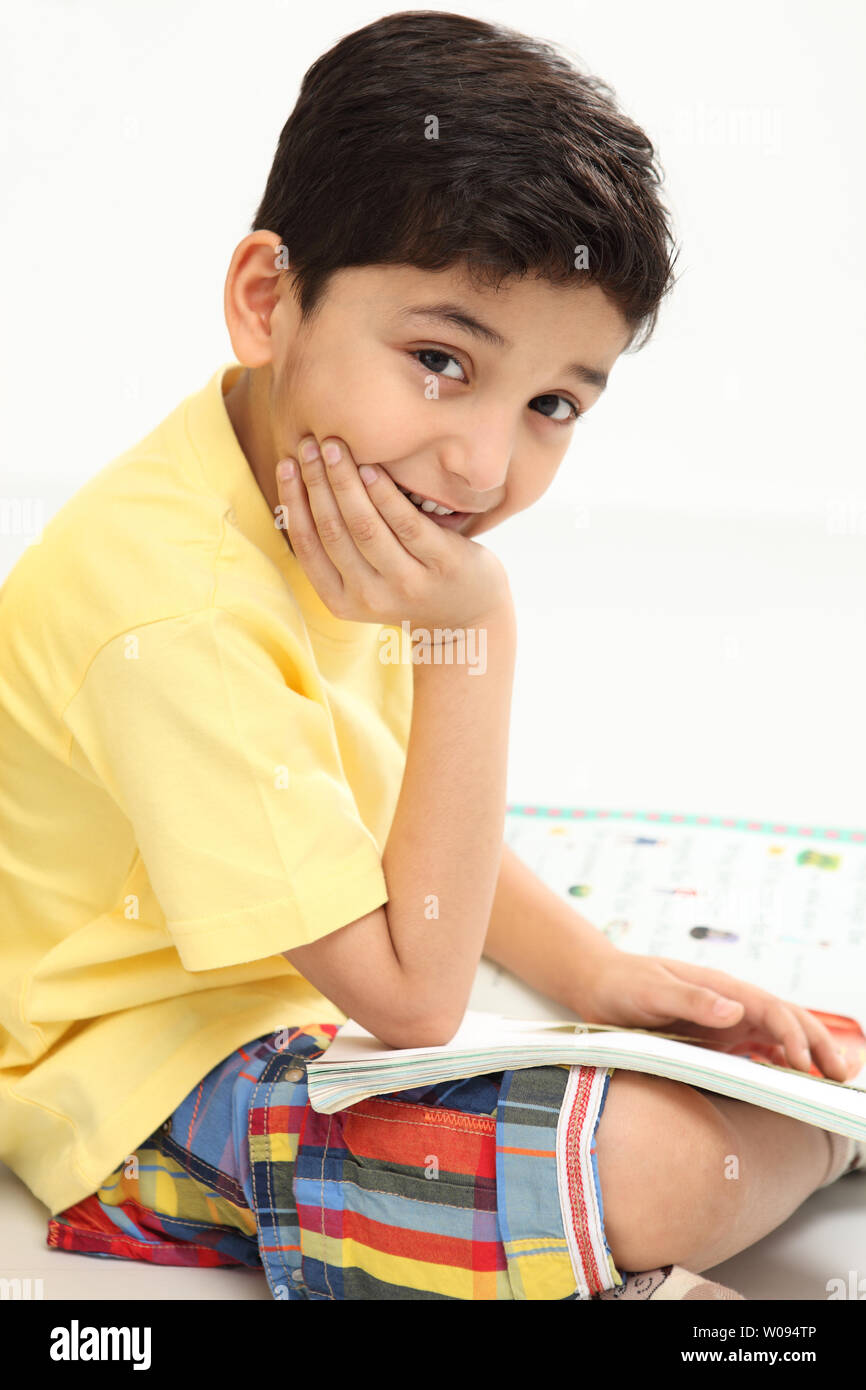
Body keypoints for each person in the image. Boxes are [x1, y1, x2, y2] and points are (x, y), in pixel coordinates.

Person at [2, 10, 862, 1303]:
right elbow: (414, 999)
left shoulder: (327, 497)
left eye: (550, 404)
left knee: (799, 1074)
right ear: (266, 301)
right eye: (438, 360)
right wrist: (474, 638)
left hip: (315, 988)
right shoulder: (177, 609)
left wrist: (598, 973)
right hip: (137, 1069)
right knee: (673, 1164)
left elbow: (377, 812)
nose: (482, 463)